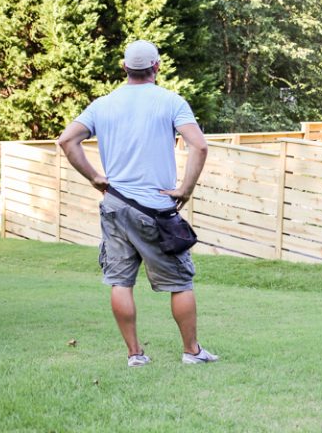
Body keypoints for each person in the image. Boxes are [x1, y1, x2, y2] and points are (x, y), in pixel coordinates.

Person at [58, 40, 217, 367]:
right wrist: (184, 190)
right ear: (157, 67)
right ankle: (192, 352)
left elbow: (66, 140)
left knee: (120, 280)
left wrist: (94, 177)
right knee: (181, 282)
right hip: (155, 210)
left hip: (115, 205)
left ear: (124, 68)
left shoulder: (102, 105)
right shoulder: (171, 102)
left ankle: (135, 355)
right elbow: (198, 146)